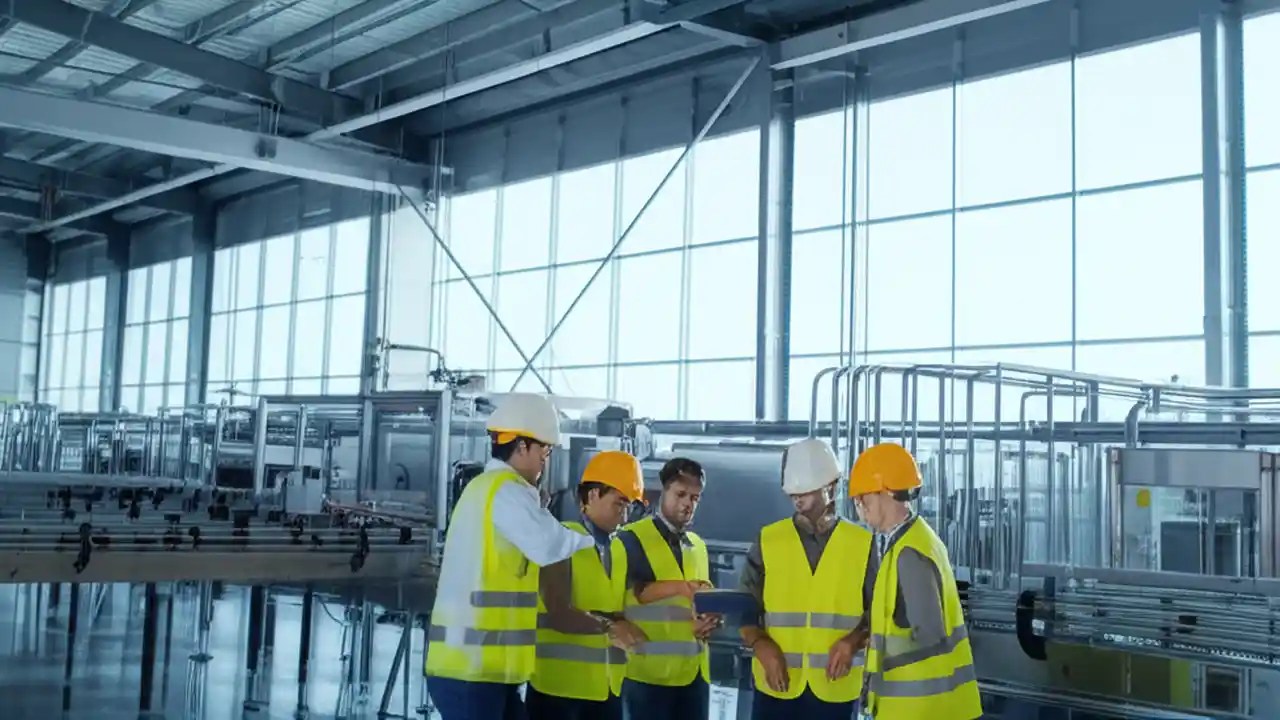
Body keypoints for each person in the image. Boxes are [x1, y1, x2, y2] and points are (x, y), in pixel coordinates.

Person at [425, 393, 596, 720]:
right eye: (544, 450)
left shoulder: (492, 489)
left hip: (484, 670)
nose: (546, 460)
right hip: (470, 672)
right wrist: (594, 540)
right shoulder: (505, 490)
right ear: (521, 446)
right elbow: (547, 544)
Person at [739, 438, 873, 719]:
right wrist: (761, 645)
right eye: (793, 494)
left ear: (831, 487)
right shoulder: (768, 540)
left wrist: (851, 642)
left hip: (835, 690)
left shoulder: (863, 544)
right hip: (775, 687)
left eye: (806, 492)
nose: (798, 499)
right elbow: (744, 609)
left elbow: (880, 616)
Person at [849, 443, 982, 720]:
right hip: (918, 707)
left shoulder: (910, 553)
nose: (860, 508)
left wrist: (877, 646)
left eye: (864, 499)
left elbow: (930, 634)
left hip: (922, 708)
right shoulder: (905, 541)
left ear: (886, 493)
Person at [528, 450, 650, 720]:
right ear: (592, 495)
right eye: (620, 504)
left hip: (606, 689)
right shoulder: (560, 541)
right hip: (558, 692)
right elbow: (558, 612)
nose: (625, 517)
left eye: (630, 507)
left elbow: (615, 609)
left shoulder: (618, 549)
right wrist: (610, 626)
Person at [615, 457, 719, 720]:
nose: (688, 503)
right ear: (664, 491)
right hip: (649, 675)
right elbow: (639, 592)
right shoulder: (632, 537)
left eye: (695, 498)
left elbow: (698, 600)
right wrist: (683, 588)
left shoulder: (698, 545)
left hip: (694, 673)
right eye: (681, 494)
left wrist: (709, 619)